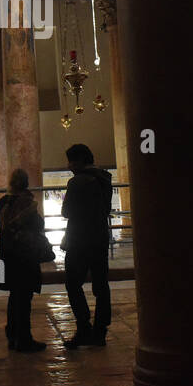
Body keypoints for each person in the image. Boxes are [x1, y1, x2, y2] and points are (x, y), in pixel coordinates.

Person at [61, 144, 113, 348]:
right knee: (101, 286)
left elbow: (66, 212)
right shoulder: (105, 179)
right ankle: (100, 332)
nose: (69, 165)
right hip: (99, 238)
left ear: (81, 160)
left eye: (71, 161)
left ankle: (83, 327)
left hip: (78, 240)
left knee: (73, 284)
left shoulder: (76, 182)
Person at [0, 168, 46, 352]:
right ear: (26, 183)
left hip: (7, 255)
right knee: (24, 298)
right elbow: (38, 225)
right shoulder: (28, 203)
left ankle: (11, 335)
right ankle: (24, 339)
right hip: (25, 256)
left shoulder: (3, 202)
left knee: (13, 296)